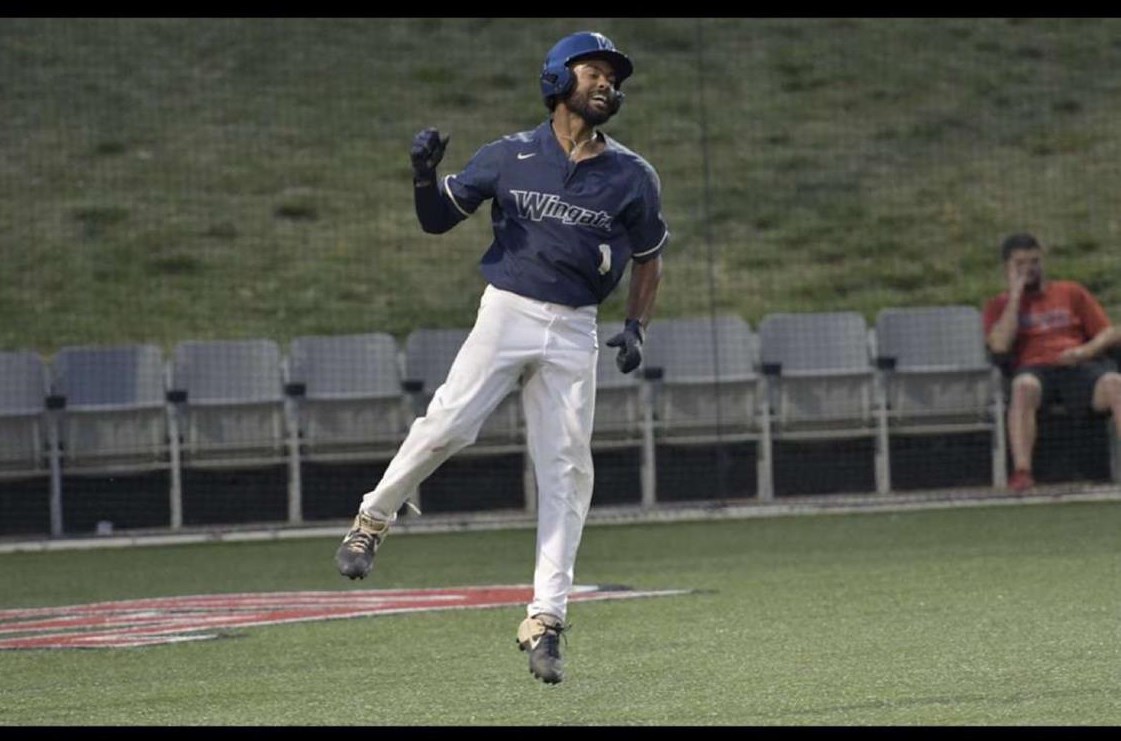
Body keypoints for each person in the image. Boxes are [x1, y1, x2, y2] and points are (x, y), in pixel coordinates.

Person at [333, 31, 669, 685]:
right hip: (508, 310)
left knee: (567, 471)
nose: (607, 83)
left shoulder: (632, 174)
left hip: (575, 329)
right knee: (450, 422)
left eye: (613, 76)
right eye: (592, 71)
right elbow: (436, 220)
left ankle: (546, 619)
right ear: (555, 81)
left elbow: (650, 257)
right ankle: (372, 518)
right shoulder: (509, 155)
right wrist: (423, 176)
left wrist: (636, 325)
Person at [982, 232, 1121, 493]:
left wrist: (1085, 351)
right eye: (1020, 264)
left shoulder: (1071, 291)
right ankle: (1023, 471)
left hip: (1077, 366)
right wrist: (1015, 296)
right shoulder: (998, 304)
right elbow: (999, 345)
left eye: (1033, 262)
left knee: (1115, 382)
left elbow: (1111, 332)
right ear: (1008, 268)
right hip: (1035, 369)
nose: (1029, 269)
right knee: (1022, 387)